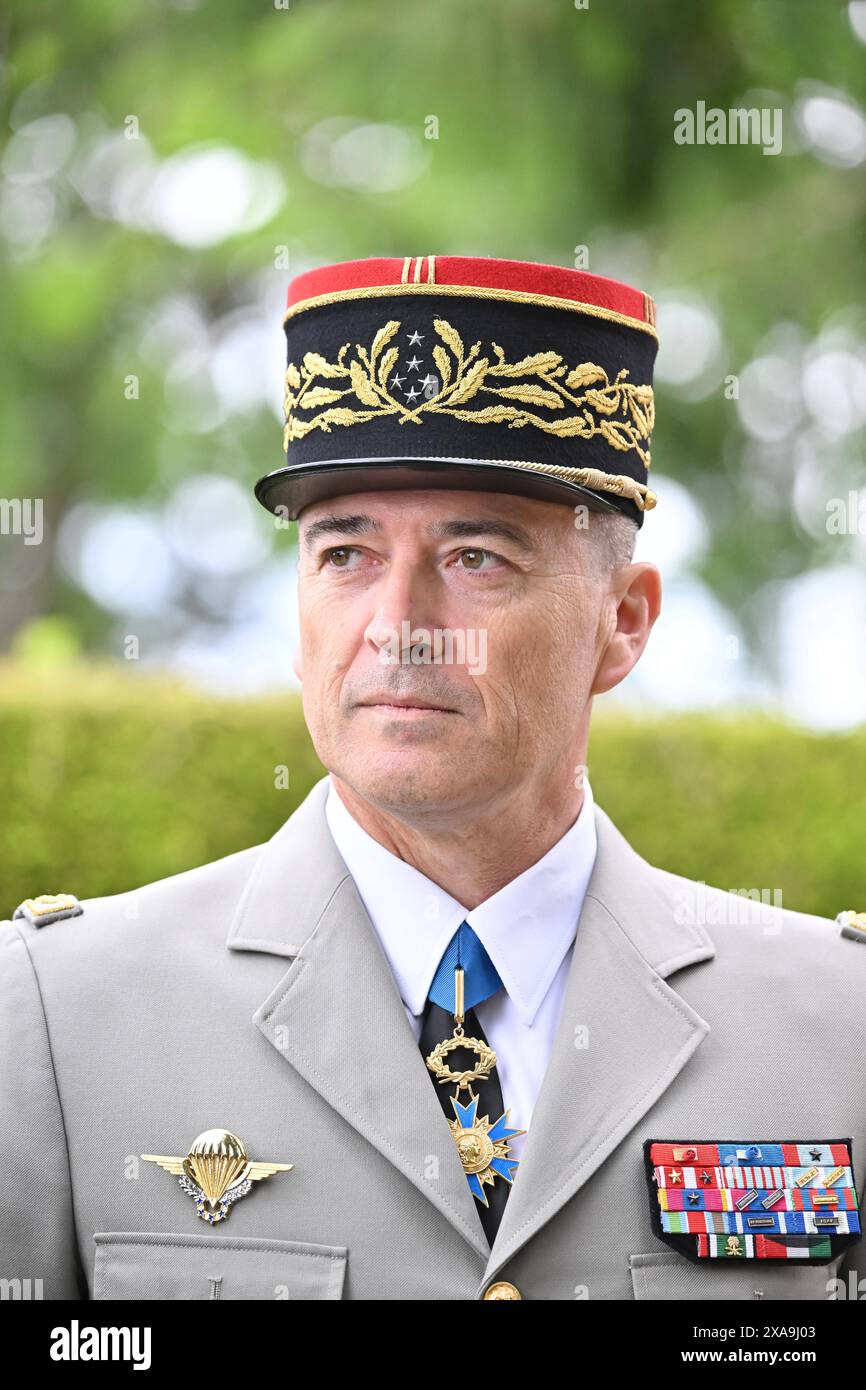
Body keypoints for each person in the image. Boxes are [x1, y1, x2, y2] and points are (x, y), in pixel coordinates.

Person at [2, 255, 863, 1302]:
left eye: (475, 557)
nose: (397, 625)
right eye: (344, 555)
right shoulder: (58, 1015)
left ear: (622, 621)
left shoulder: (835, 1026)